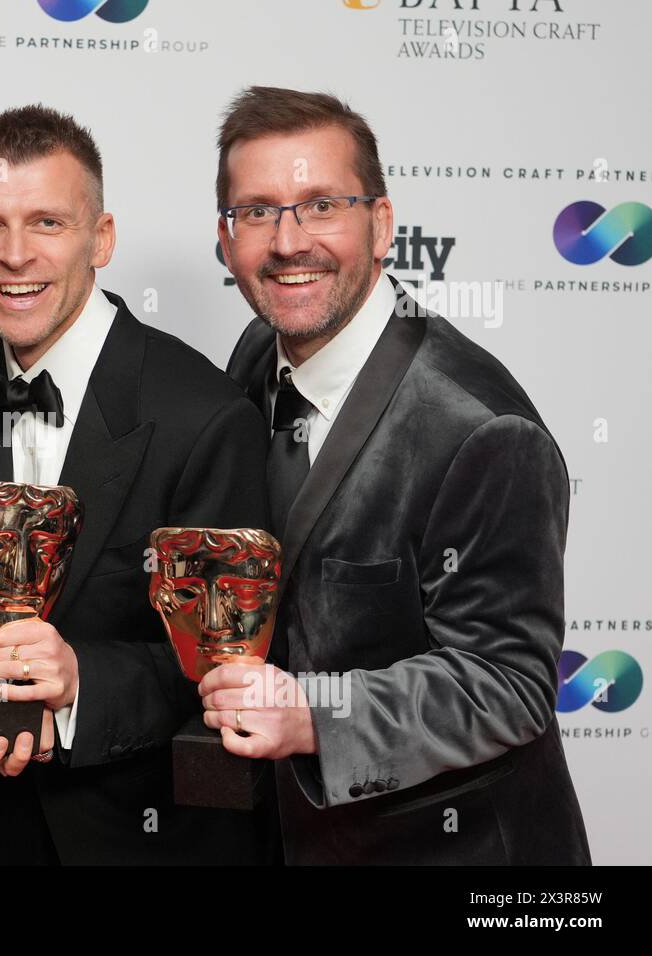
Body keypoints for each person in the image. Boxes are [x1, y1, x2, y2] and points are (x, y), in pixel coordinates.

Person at [213, 86, 591, 865]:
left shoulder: (482, 428)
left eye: (321, 204)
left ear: (382, 225)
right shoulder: (258, 354)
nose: (288, 242)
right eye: (257, 211)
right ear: (226, 239)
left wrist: (316, 713)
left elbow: (508, 682)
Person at [0, 105, 275, 865]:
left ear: (103, 238)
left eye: (48, 223)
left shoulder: (204, 416)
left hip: (143, 835)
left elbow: (229, 662)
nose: (15, 255)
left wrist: (83, 678)